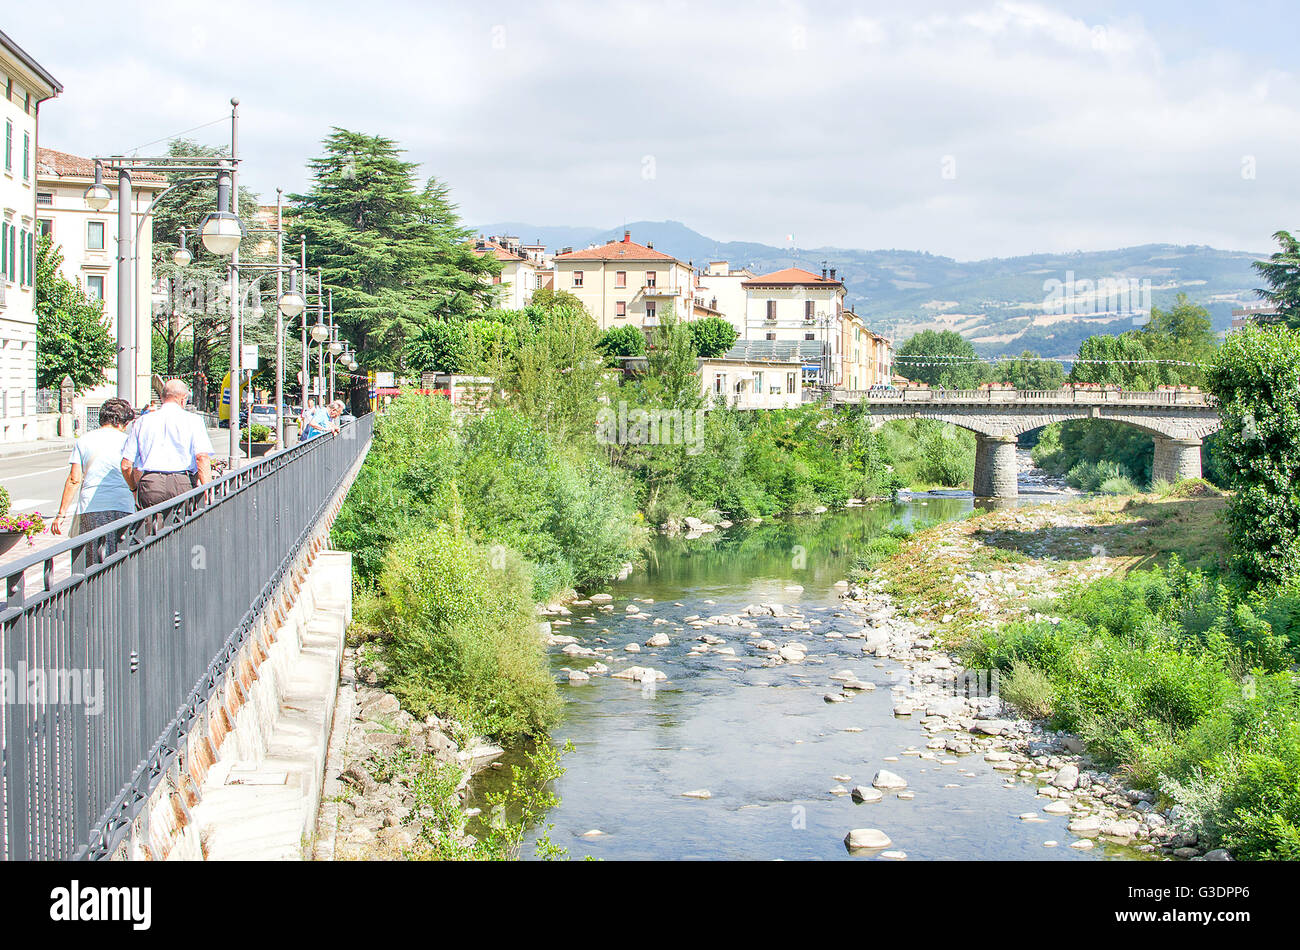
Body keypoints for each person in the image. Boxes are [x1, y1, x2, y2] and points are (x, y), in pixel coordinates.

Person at [52, 397, 137, 550]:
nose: (125, 428)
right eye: (125, 424)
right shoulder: (128, 441)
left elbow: (74, 480)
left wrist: (61, 514)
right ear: (119, 422)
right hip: (123, 504)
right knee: (122, 554)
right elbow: (132, 470)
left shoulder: (84, 440)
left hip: (91, 507)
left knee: (93, 557)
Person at [121, 379, 214, 508]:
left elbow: (126, 465)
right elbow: (202, 457)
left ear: (162, 397)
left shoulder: (142, 421)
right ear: (183, 398)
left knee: (153, 526)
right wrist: (207, 490)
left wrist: (134, 489)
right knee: (185, 525)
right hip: (182, 482)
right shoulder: (194, 421)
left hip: (151, 483)